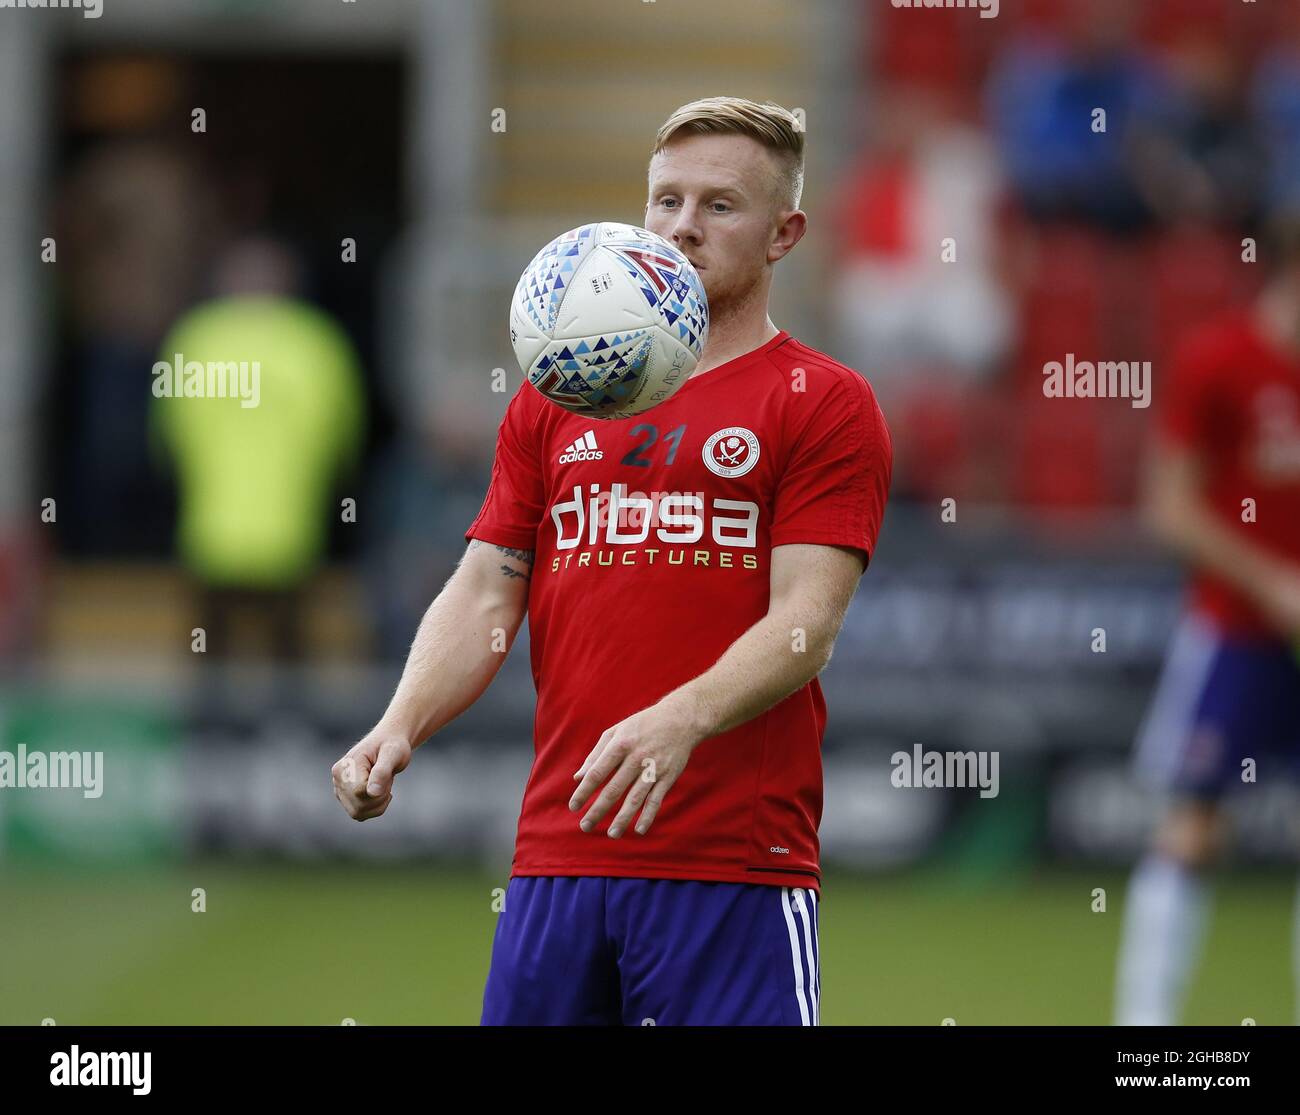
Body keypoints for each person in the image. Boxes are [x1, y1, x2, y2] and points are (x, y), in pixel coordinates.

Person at [331, 97, 893, 1025]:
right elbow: (484, 591)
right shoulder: (559, 394)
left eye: (720, 205)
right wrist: (400, 722)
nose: (682, 225)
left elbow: (807, 624)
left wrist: (679, 719)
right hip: (558, 854)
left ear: (784, 234)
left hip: (730, 866)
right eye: (665, 200)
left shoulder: (821, 401)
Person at [1114, 216, 1300, 1025]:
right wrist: (1272, 580)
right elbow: (1170, 503)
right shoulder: (1220, 359)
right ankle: (1145, 1034)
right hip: (1235, 634)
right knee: (1192, 825)